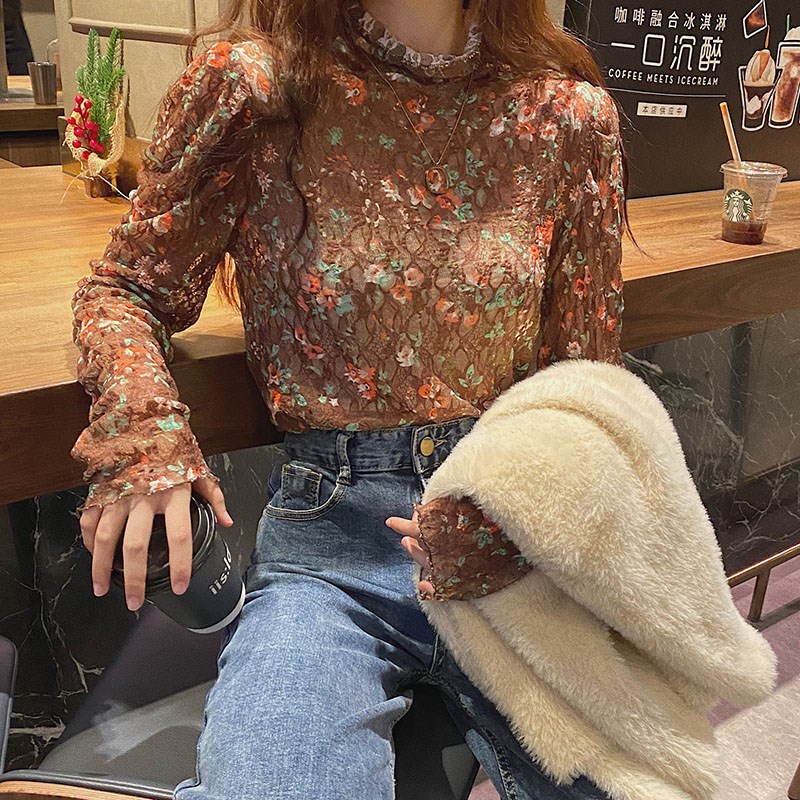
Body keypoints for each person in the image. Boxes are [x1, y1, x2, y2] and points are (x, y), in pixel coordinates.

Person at [70, 0, 633, 797]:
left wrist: (533, 531)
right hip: (332, 555)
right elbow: (125, 287)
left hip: (511, 544)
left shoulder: (566, 117)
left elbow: (586, 390)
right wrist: (145, 436)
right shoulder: (254, 88)